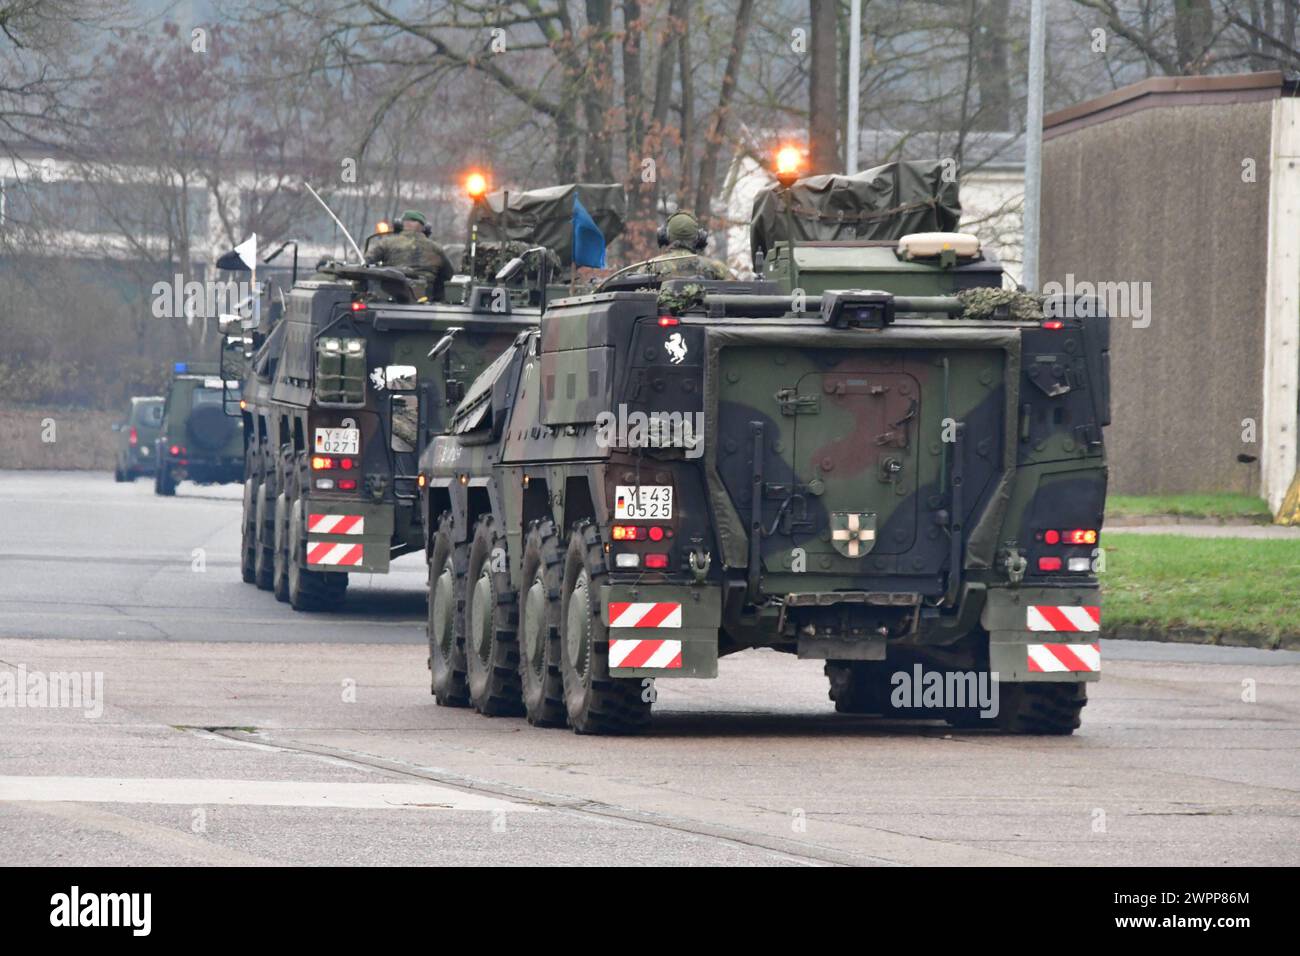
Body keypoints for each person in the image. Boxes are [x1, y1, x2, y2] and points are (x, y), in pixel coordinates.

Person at [365, 210, 453, 300]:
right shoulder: (436, 248)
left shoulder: (386, 243)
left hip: (390, 295)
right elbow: (448, 274)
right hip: (425, 296)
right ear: (425, 228)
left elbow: (366, 263)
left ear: (400, 225)